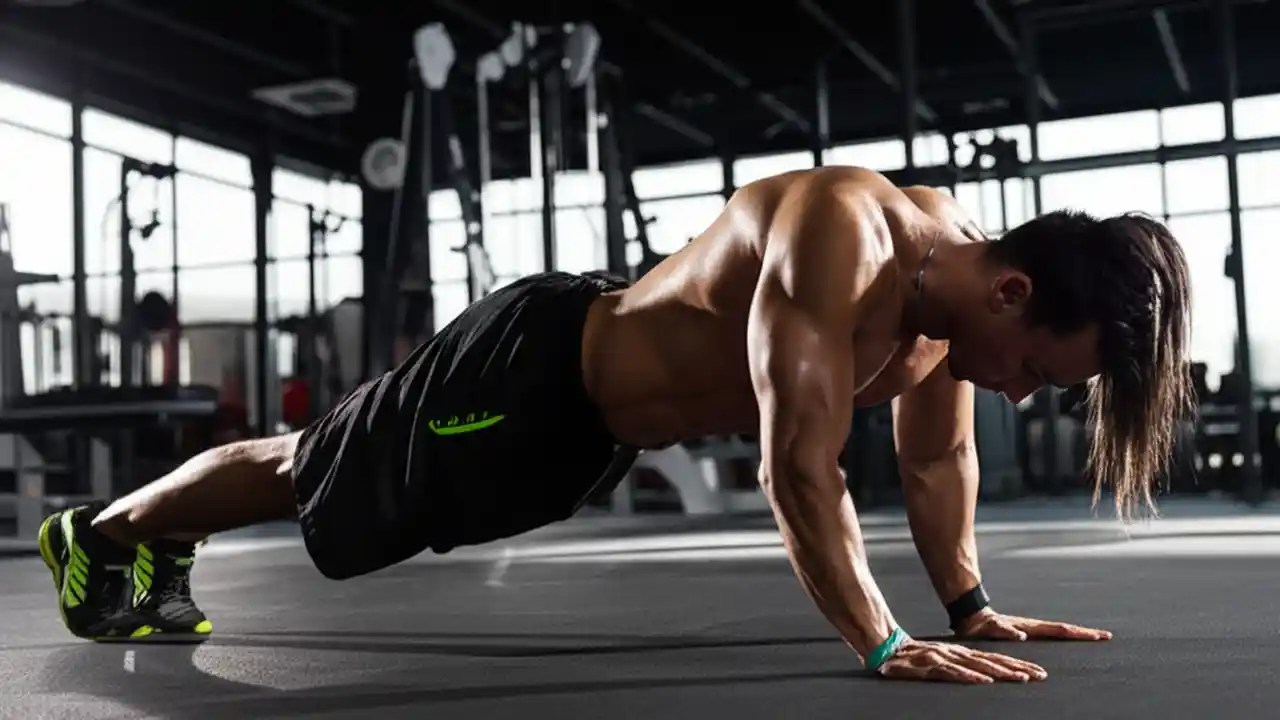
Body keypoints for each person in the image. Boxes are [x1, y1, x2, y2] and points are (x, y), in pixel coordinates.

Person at [37, 166, 1193, 684]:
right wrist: (882, 645)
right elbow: (799, 466)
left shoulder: (952, 315)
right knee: (308, 470)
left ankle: (146, 534)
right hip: (537, 366)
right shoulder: (845, 230)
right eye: (1037, 373)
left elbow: (933, 457)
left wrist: (969, 607)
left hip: (592, 438)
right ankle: (102, 532)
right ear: (1013, 295)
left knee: (339, 493)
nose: (1018, 396)